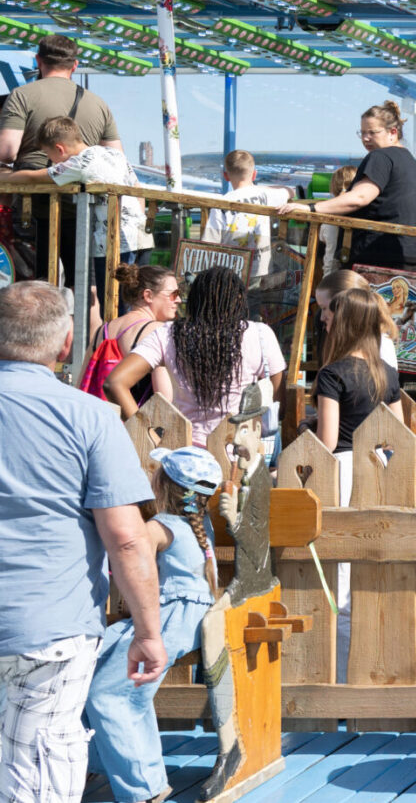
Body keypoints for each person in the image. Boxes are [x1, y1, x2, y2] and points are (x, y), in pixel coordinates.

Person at [0, 280, 163, 803]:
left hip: (42, 624)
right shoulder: (88, 416)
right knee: (39, 772)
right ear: (67, 343)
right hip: (49, 624)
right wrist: (148, 630)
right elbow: (127, 539)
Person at [84, 446, 221, 803]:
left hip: (169, 619)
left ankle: (145, 789)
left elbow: (127, 548)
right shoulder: (199, 525)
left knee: (110, 695)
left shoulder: (163, 526)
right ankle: (101, 760)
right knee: (98, 665)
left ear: (162, 483)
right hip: (187, 619)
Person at [117, 266, 286, 447]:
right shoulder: (260, 334)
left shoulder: (168, 334)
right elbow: (278, 404)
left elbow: (115, 382)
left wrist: (147, 434)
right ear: (238, 299)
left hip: (183, 454)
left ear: (195, 300)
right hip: (240, 454)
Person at [0, 35, 122, 278]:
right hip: (83, 208)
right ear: (74, 65)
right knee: (84, 286)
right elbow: (115, 157)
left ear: (38, 61)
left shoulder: (22, 95)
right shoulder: (98, 104)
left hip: (33, 204)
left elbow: (7, 151)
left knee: (35, 282)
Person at [0, 116, 144, 295]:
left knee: (113, 299)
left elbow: (32, 177)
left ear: (60, 149)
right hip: (140, 235)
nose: (51, 160)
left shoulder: (79, 163)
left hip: (113, 241)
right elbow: (137, 188)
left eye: (48, 154)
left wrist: (3, 178)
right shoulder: (113, 153)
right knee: (136, 295)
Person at [285, 102, 416, 269]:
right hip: (409, 255)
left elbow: (359, 197)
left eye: (372, 133)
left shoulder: (381, 157)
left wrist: (311, 209)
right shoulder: (410, 163)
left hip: (375, 255)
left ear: (392, 133)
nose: (366, 138)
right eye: (363, 133)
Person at [314, 288, 403, 457]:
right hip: (378, 466)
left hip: (341, 468)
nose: (323, 319)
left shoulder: (332, 374)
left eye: (330, 316)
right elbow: (396, 436)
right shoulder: (389, 373)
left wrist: (305, 429)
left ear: (343, 323)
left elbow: (327, 443)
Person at [83, 264, 178, 404]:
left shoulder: (102, 331)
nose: (178, 300)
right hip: (134, 423)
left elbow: (82, 382)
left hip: (99, 420)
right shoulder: (156, 331)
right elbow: (164, 398)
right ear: (148, 295)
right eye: (173, 295)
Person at [203, 151, 293, 281]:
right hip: (259, 270)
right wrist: (265, 188)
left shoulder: (221, 204)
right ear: (254, 174)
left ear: (225, 176)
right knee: (253, 301)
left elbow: (209, 243)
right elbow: (290, 191)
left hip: (229, 271)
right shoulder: (265, 194)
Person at [314, 269, 399, 370]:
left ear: (344, 307)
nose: (321, 317)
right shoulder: (330, 335)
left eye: (324, 308)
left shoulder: (381, 344)